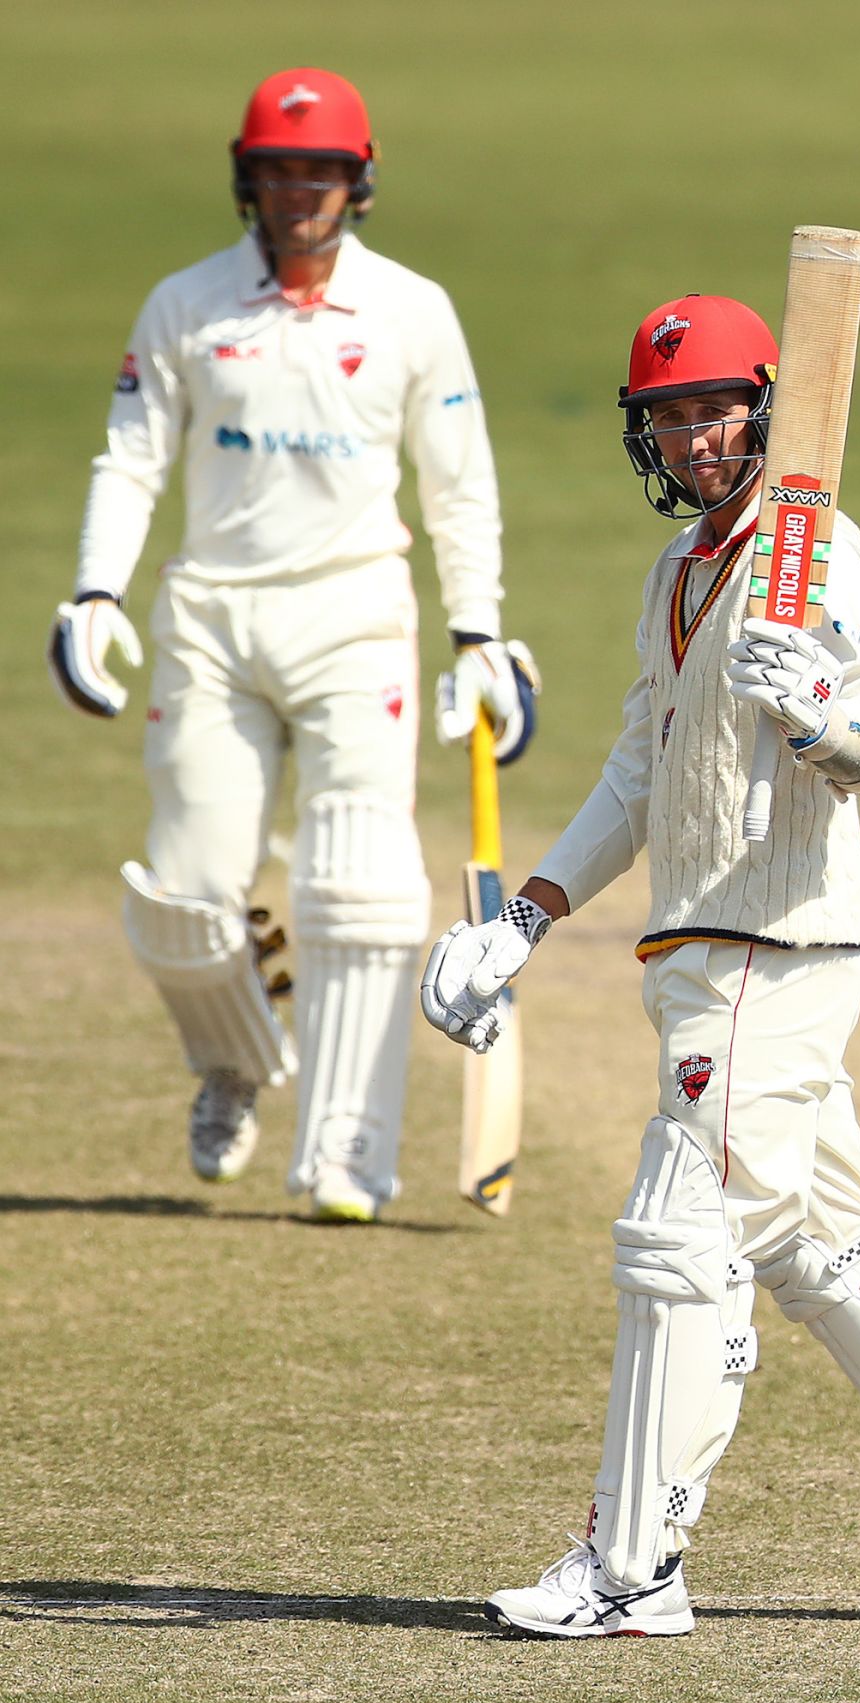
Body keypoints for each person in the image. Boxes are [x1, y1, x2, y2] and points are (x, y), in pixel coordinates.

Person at [421, 293, 860, 1629]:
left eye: (713, 408)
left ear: (764, 409)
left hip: (769, 944)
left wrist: (827, 716)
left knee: (681, 1238)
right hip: (704, 946)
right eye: (666, 417)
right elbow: (642, 768)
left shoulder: (819, 551)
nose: (692, 437)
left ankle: (633, 1570)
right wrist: (529, 913)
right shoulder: (678, 579)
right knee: (826, 1248)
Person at [48, 68, 537, 1222]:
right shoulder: (186, 305)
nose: (298, 192)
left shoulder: (414, 310)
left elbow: (460, 487)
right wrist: (93, 594)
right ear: (246, 179)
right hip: (211, 617)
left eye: (319, 172)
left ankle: (346, 1156)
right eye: (278, 170)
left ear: (358, 184)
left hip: (357, 613)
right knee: (185, 898)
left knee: (360, 887)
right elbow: (130, 457)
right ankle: (232, 1057)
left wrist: (480, 630)